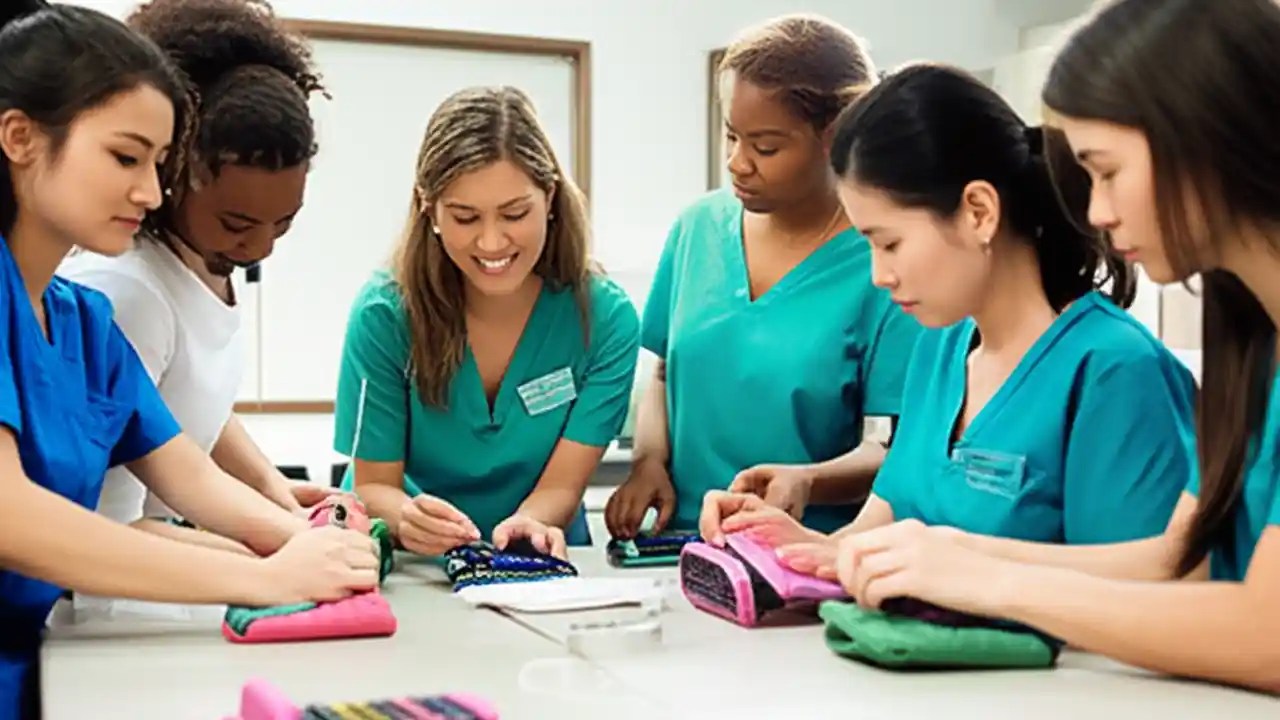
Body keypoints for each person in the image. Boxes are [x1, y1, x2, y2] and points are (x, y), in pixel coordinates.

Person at [801, 0, 1280, 694]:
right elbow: (1174, 558)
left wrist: (990, 579)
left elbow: (1267, 633)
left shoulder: (1115, 364)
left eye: (1107, 171)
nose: (1096, 212)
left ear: (1205, 141)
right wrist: (949, 552)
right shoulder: (1251, 342)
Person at [0, 3, 376, 717]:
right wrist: (269, 576)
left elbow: (191, 474)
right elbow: (11, 517)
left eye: (158, 163)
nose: (150, 191)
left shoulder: (86, 324)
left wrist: (315, 545)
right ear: (20, 136)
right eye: (125, 157)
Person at [701, 62, 1198, 568]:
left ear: (979, 211)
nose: (878, 275)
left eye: (889, 243)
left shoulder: (1115, 371)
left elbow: (1141, 594)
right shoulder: (941, 348)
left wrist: (963, 570)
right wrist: (793, 544)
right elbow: (878, 527)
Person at [605, 14, 922, 539]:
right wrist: (649, 462)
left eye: (766, 147)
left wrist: (808, 481)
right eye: (732, 135)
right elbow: (663, 373)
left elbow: (890, 450)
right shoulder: (696, 228)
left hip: (802, 554)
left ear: (836, 136)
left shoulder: (882, 264)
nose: (737, 162)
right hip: (678, 545)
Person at [58, 0, 335, 554]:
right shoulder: (125, 292)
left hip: (153, 571)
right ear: (177, 170)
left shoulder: (195, 267)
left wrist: (269, 488)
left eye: (283, 223)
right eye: (238, 224)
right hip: (109, 594)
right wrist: (270, 546)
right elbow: (93, 526)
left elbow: (177, 406)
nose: (259, 247)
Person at [334, 86, 640, 560]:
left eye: (515, 214)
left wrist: (529, 525)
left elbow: (562, 486)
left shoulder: (604, 320)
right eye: (464, 217)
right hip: (416, 561)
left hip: (538, 552)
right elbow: (375, 484)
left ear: (550, 197)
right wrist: (407, 519)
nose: (492, 242)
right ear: (428, 208)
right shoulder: (385, 315)